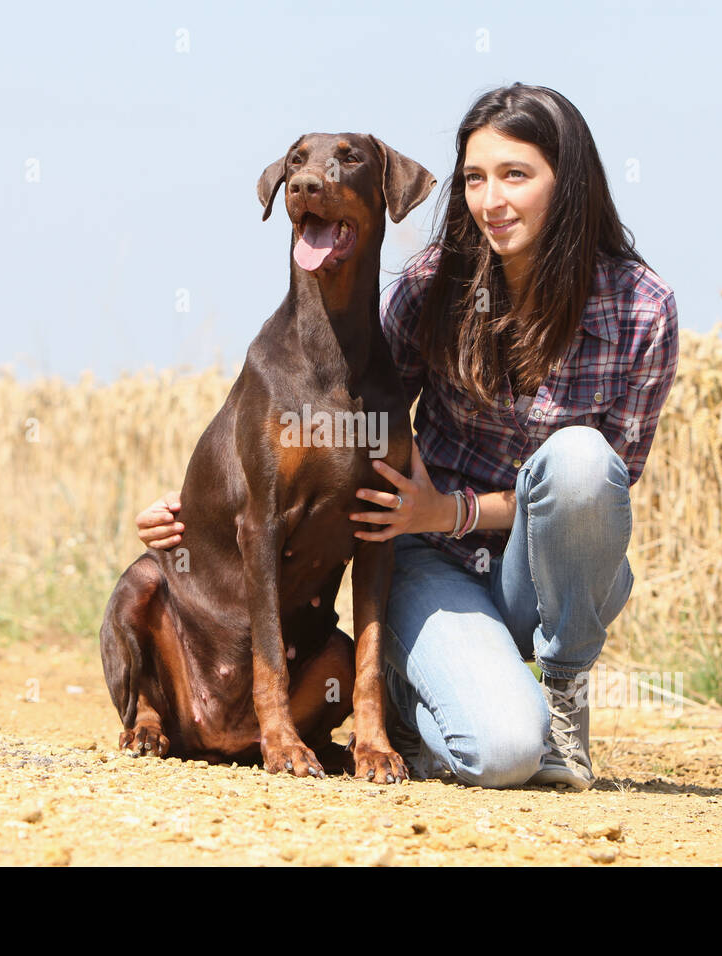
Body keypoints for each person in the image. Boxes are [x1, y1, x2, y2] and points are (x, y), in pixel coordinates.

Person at [134, 83, 678, 790]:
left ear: (568, 182)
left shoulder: (644, 309)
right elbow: (342, 408)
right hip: (436, 566)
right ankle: (416, 699)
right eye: (476, 178)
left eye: (516, 175)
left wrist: (451, 509)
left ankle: (562, 692)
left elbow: (605, 493)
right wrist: (208, 510)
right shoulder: (432, 287)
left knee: (579, 463)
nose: (492, 199)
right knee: (505, 754)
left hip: (545, 575)